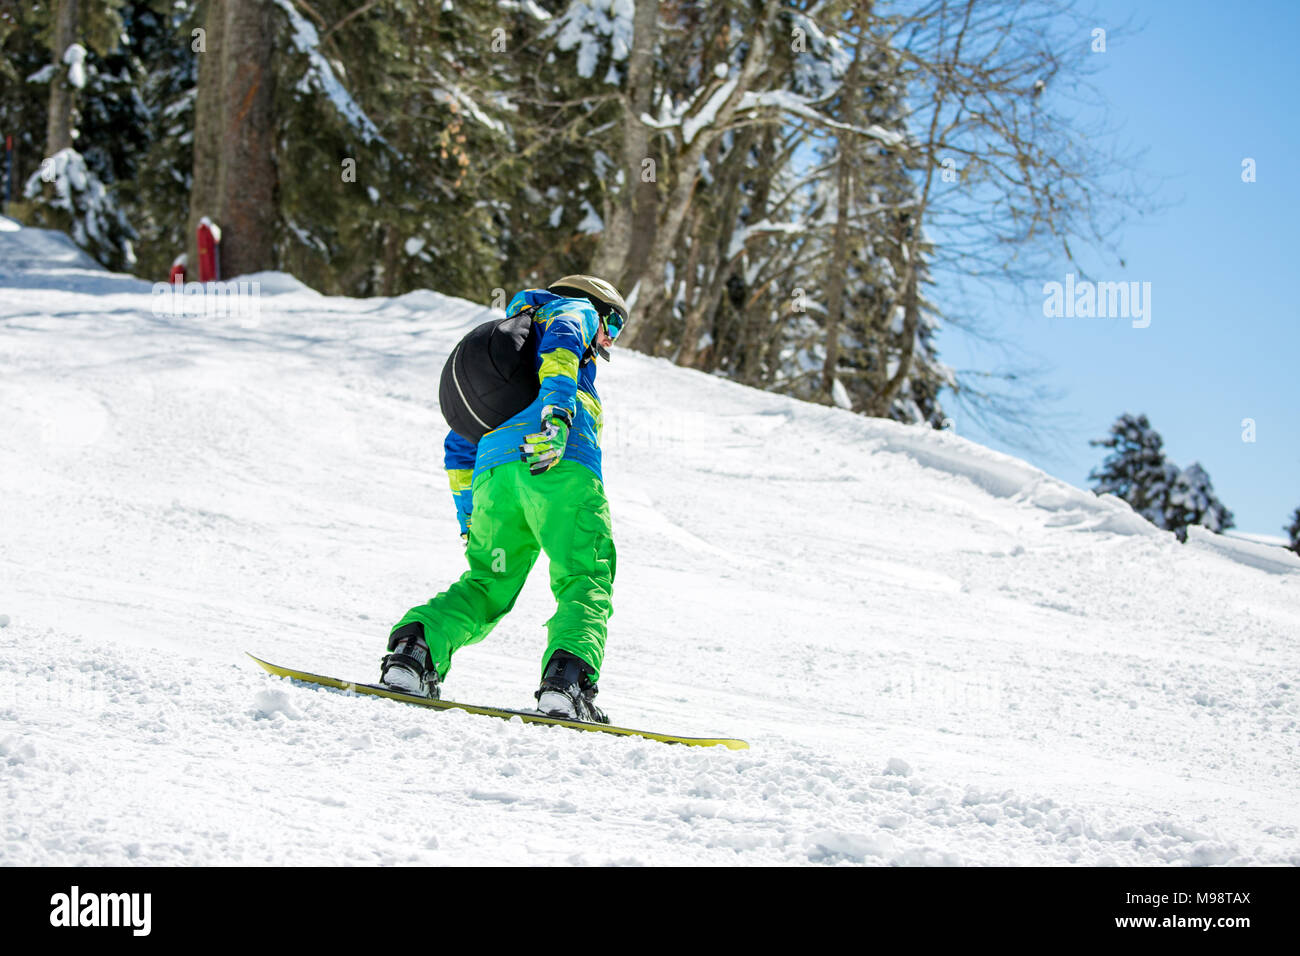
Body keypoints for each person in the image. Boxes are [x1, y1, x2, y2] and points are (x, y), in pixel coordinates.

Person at [379, 275, 626, 722]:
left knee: (487, 582)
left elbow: (459, 439)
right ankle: (565, 685)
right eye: (616, 324)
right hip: (558, 463)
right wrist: (556, 414)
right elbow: (566, 343)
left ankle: (414, 654)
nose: (610, 338)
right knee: (585, 575)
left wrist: (470, 513)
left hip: (496, 479)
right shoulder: (575, 311)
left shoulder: (507, 346)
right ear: (598, 306)